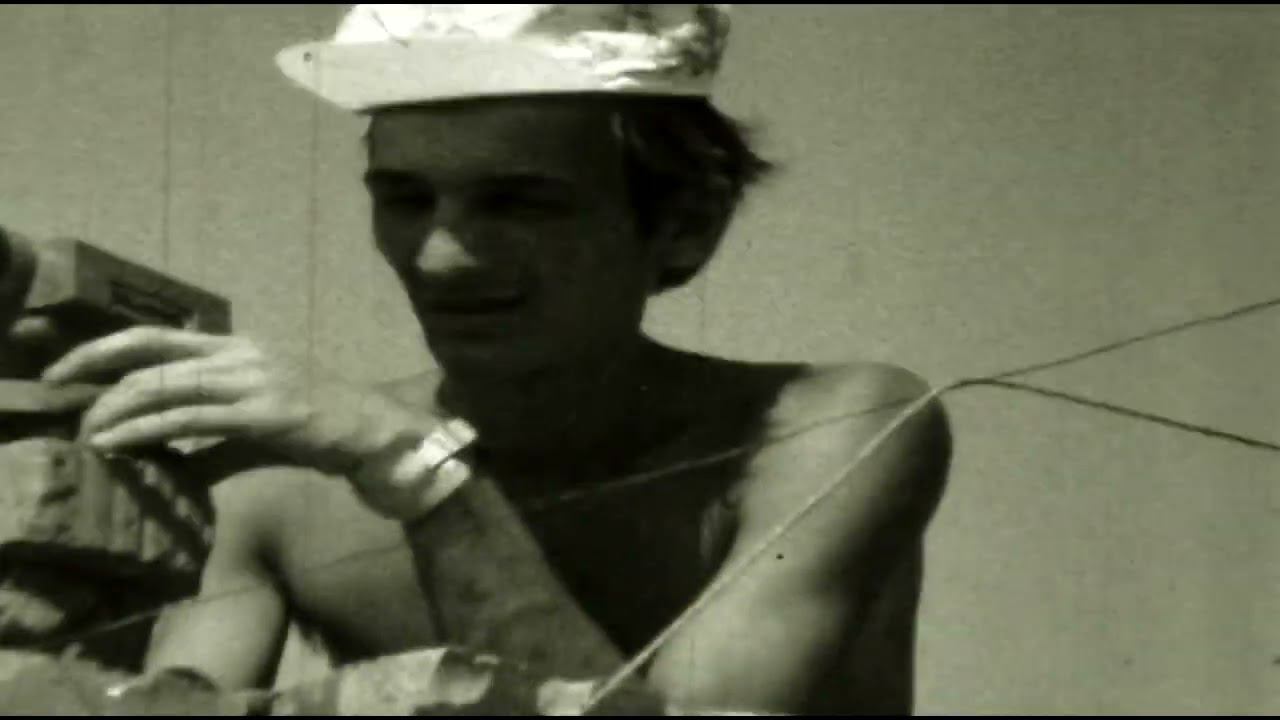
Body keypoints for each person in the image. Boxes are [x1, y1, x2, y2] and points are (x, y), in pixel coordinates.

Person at [39, 5, 952, 715]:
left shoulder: (831, 428)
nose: (441, 257)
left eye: (519, 202)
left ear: (686, 227)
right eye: (405, 198)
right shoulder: (273, 493)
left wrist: (422, 472)